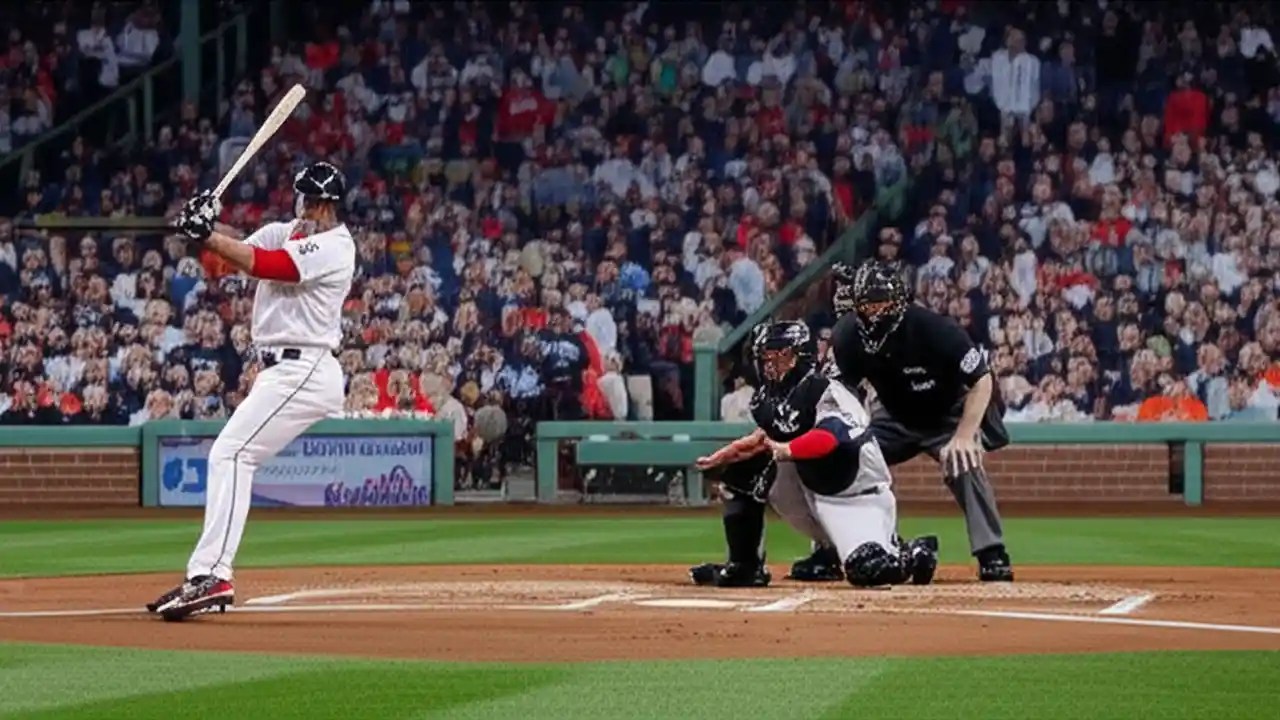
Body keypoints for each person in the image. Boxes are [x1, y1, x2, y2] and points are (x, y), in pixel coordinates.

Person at [147, 161, 356, 621]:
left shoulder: (336, 246)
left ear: (319, 203)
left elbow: (267, 265)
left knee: (232, 455)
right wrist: (204, 221)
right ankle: (206, 573)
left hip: (305, 366)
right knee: (233, 455)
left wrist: (207, 234)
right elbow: (237, 249)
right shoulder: (286, 231)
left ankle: (213, 574)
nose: (302, 205)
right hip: (281, 369)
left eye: (306, 198)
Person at [690, 321, 938, 588]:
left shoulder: (824, 389)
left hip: (855, 494)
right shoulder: (765, 399)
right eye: (766, 356)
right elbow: (771, 433)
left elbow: (830, 436)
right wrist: (731, 453)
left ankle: (912, 552)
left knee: (868, 569)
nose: (771, 364)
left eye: (782, 355)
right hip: (814, 487)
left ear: (802, 356)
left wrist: (787, 449)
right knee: (742, 469)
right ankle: (745, 566)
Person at [830, 261, 1014, 582]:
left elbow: (981, 380)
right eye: (867, 305)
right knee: (847, 459)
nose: (875, 313)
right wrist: (852, 431)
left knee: (964, 461)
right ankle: (841, 549)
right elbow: (845, 390)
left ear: (900, 302)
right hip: (893, 417)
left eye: (882, 304)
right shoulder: (847, 335)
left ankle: (992, 552)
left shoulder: (935, 328)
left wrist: (964, 435)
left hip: (946, 415)